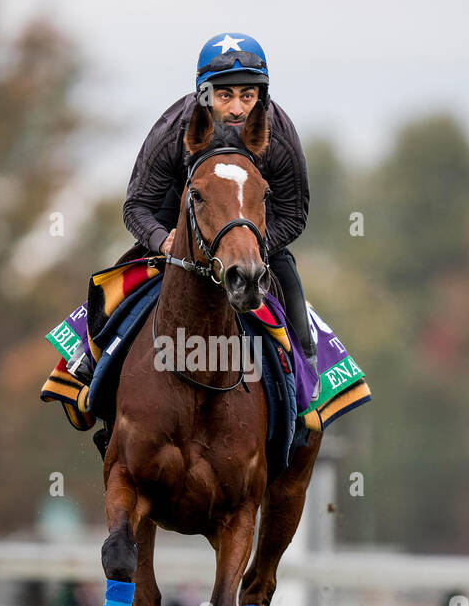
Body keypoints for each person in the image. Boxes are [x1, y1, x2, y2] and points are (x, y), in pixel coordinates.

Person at [69, 32, 319, 391]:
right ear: (204, 96)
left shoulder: (278, 136)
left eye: (247, 96)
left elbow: (293, 215)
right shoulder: (174, 128)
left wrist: (247, 244)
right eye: (224, 95)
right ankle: (90, 355)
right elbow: (137, 205)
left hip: (250, 226)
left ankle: (308, 374)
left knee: (292, 295)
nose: (237, 108)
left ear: (261, 97)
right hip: (181, 220)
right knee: (124, 276)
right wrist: (162, 239)